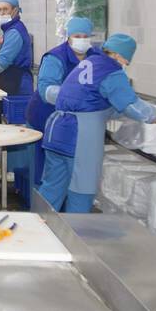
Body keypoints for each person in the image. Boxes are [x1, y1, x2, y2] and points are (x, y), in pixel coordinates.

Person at [39, 34, 156, 214]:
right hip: (81, 136)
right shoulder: (111, 71)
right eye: (126, 59)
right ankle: (76, 236)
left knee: (51, 189)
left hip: (56, 130)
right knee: (81, 191)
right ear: (119, 55)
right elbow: (133, 107)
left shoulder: (89, 62)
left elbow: (90, 98)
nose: (125, 64)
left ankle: (38, 232)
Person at [27, 17, 99, 190]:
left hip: (71, 123)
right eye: (77, 36)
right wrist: (77, 98)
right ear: (68, 37)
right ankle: (38, 207)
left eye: (85, 36)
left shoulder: (95, 57)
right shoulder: (56, 57)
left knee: (65, 173)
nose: (81, 40)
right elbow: (46, 90)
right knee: (43, 169)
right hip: (44, 117)